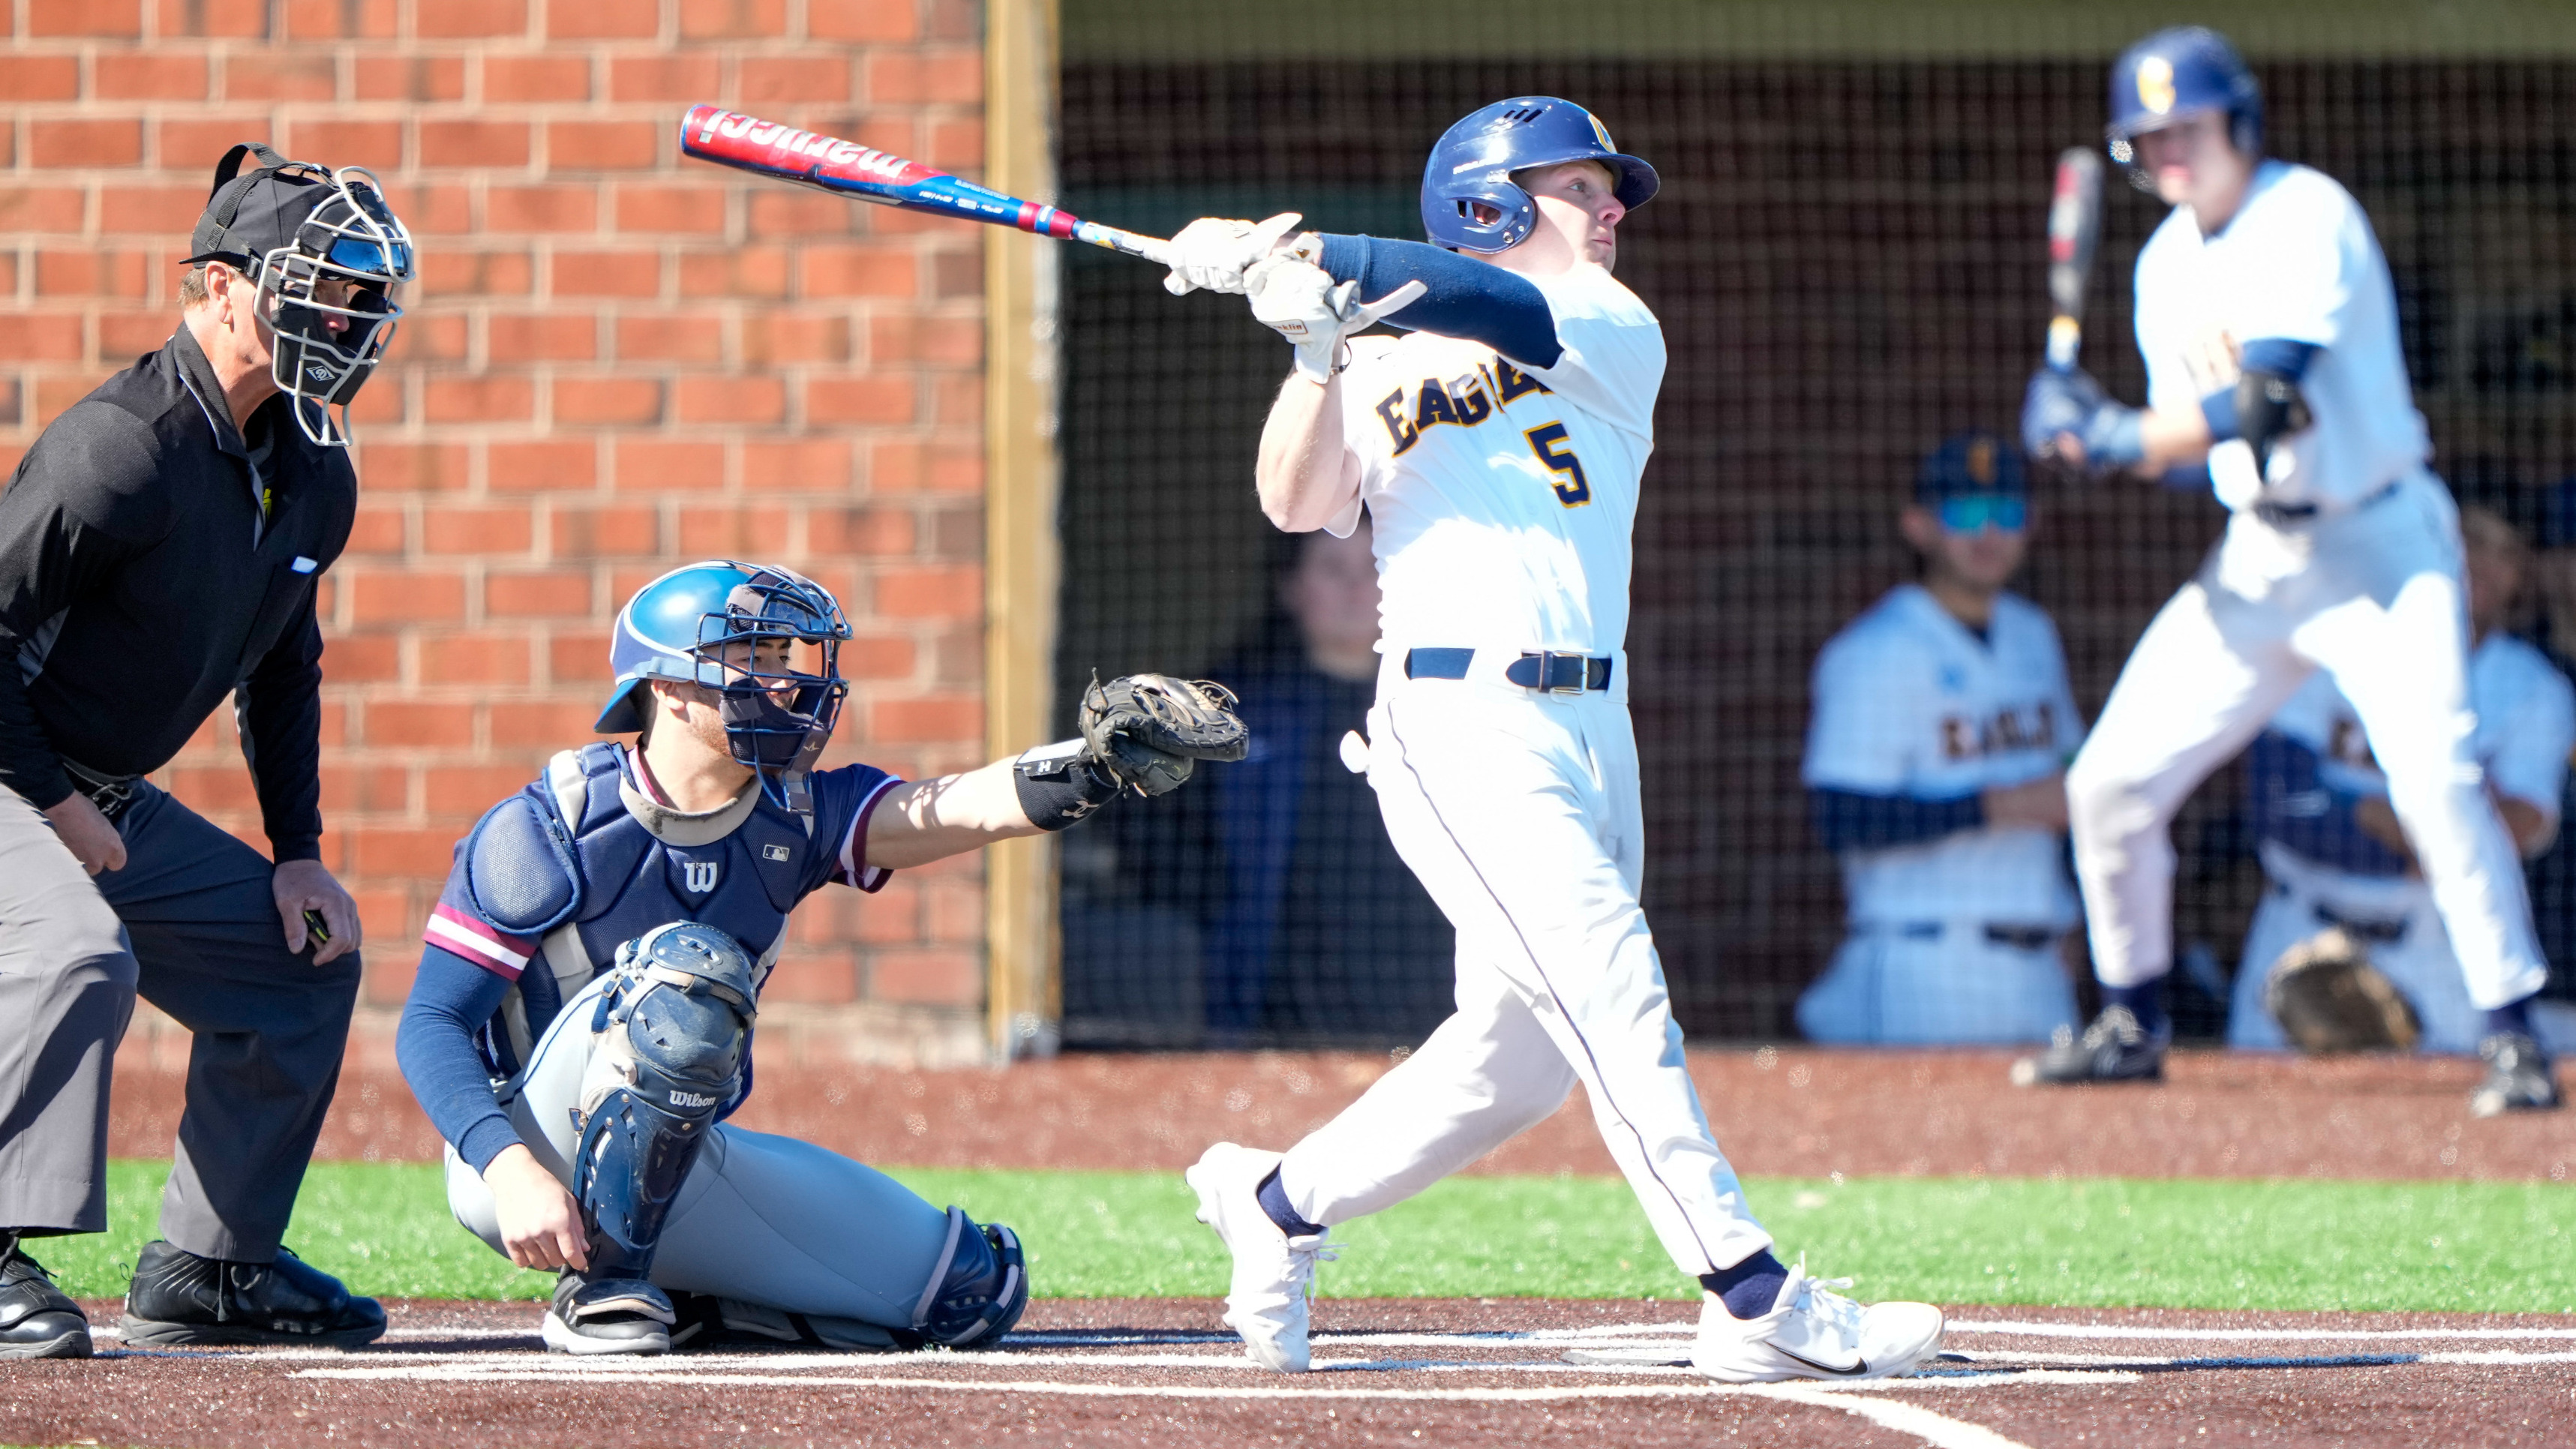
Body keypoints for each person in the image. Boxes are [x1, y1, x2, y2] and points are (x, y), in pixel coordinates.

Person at [1152, 97, 1946, 1383]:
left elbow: (1470, 304)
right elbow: (1297, 505)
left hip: (1591, 716)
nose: (1612, 209)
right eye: (1581, 188)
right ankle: (1749, 1295)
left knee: (1516, 1062)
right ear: (1488, 199)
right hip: (1456, 715)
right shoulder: (1374, 350)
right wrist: (1306, 343)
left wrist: (1303, 263)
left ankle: (1277, 1203)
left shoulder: (1599, 321)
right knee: (1613, 989)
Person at [395, 561, 1237, 1355]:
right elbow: (431, 1024)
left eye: (781, 658)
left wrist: (1089, 766)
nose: (783, 681)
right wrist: (507, 1172)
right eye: (747, 661)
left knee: (969, 1294)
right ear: (665, 687)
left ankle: (697, 1301)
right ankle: (601, 1293)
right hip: (519, 1152)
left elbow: (949, 810)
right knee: (690, 974)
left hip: (673, 1163)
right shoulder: (554, 824)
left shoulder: (794, 811)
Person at [2018, 27, 2562, 1115]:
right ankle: (2131, 1015)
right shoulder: (2163, 262)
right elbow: (2223, 454)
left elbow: (2273, 398)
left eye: (2187, 126)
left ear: (2237, 122)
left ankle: (2511, 1033)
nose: (2169, 151)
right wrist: (2087, 447)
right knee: (2109, 785)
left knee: (2433, 777)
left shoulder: (2306, 212)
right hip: (2259, 554)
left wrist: (2116, 435)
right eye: (2147, 137)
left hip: (2380, 543)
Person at [0, 142, 412, 1359]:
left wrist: (299, 852)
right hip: (17, 775)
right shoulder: (117, 449)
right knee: (78, 958)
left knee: (299, 965)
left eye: (361, 296)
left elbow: (285, 662)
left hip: (94, 793)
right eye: (321, 287)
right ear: (224, 286)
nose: (347, 319)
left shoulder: (314, 468)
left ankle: (210, 1265)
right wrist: (59, 809)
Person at [2232, 506, 2576, 1057]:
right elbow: (2279, 802)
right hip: (2300, 928)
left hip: (2437, 951)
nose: (2484, 565)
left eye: (2506, 552)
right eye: (2472, 540)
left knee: (2446, 1134)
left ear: (2522, 576)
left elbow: (2524, 828)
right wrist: (2440, 839)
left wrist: (2360, 813)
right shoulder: (2332, 642)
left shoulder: (2534, 686)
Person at [1799, 432, 2084, 1045]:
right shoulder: (1876, 651)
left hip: (2041, 959)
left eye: (2006, 513)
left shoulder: (2034, 636)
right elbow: (1840, 818)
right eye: (1966, 514)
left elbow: (2070, 775)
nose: (1988, 534)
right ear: (1919, 526)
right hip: (1925, 955)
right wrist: (1999, 805)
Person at [1199, 520, 1455, 1042]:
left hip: (1431, 999)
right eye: (1334, 569)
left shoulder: (1450, 710)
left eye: (1373, 569)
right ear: (1290, 587)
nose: (1357, 589)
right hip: (1286, 1011)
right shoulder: (1233, 717)